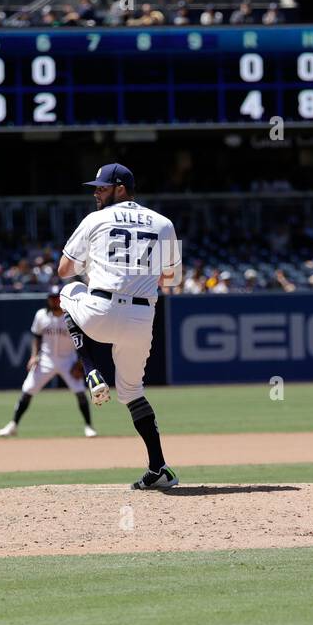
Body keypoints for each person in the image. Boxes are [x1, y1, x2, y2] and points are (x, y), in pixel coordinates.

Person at [57, 162, 182, 490]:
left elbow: (63, 269)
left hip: (99, 311)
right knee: (132, 392)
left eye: (101, 187)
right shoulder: (164, 223)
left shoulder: (95, 220)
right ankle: (159, 467)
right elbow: (172, 279)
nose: (97, 192)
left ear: (121, 189)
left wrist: (91, 265)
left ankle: (89, 367)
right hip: (142, 318)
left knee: (68, 291)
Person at [0, 286, 97, 439]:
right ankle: (13, 425)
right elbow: (36, 336)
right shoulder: (41, 315)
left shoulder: (71, 316)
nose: (54, 300)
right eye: (52, 297)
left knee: (80, 392)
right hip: (46, 360)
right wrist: (34, 356)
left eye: (57, 297)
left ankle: (89, 426)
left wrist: (79, 363)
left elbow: (83, 340)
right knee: (27, 390)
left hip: (68, 360)